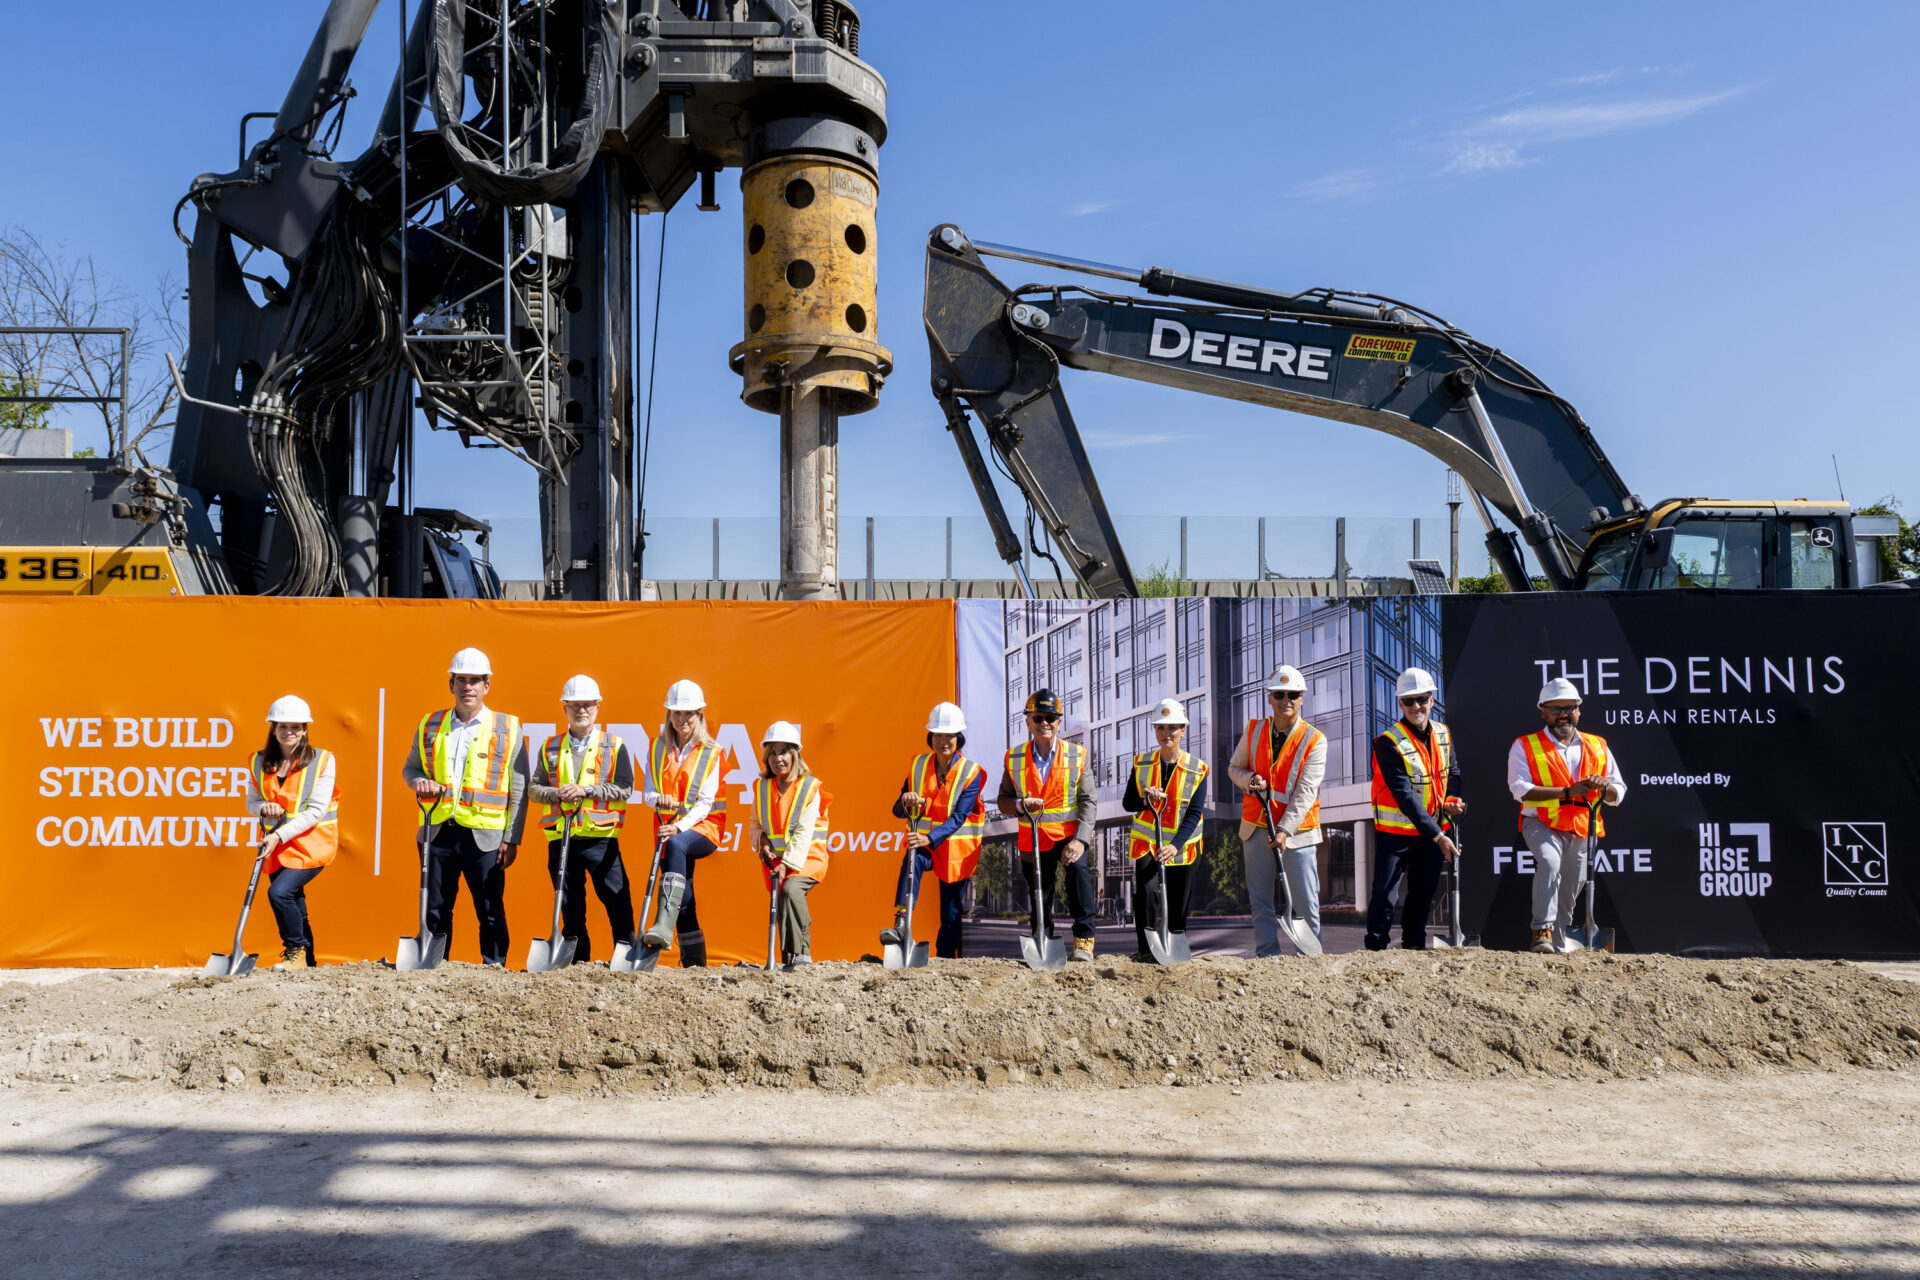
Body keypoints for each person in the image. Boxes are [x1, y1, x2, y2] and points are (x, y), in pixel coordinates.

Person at [401, 647, 528, 966]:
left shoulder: (508, 727)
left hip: (485, 835)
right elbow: (411, 768)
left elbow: (519, 789)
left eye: (475, 680)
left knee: (489, 908)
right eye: (461, 680)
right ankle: (432, 966)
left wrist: (511, 838)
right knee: (435, 907)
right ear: (451, 685)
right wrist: (418, 782)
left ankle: (494, 965)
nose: (468, 686)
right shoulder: (431, 724)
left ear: (487, 686)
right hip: (438, 830)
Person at [1509, 677, 1626, 953]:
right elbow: (1520, 790)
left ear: (1579, 710)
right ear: (1543, 711)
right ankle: (1542, 930)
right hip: (1541, 821)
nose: (1563, 714)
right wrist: (1567, 792)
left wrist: (1603, 786)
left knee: (1572, 884)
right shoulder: (1524, 745)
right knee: (1550, 862)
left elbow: (1618, 793)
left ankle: (1558, 944)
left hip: (1582, 825)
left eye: (1569, 708)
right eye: (1556, 708)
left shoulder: (1598, 745)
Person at [527, 674, 636, 964]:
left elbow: (625, 788)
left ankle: (626, 959)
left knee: (617, 902)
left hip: (600, 837)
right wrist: (557, 794)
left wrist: (586, 790)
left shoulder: (613, 745)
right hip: (561, 838)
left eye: (587, 705)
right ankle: (578, 965)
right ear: (565, 709)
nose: (581, 711)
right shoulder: (550, 746)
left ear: (597, 707)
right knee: (570, 906)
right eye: (574, 705)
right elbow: (534, 789)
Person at [1228, 665, 1327, 955]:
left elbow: (1306, 792)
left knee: (1306, 904)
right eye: (1279, 694)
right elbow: (1234, 767)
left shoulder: (1315, 740)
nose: (1286, 699)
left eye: (1293, 694)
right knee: (1260, 902)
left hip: (1298, 834)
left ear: (1302, 698)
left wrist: (1284, 830)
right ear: (1269, 698)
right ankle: (1267, 957)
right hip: (1256, 827)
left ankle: (1308, 961)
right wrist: (1249, 780)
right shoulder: (1254, 729)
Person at [1365, 667, 1465, 950]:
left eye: (1421, 699)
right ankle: (1374, 951)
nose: (1415, 706)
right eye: (1408, 701)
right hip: (1396, 833)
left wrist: (1452, 800)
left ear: (1432, 700)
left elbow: (1453, 773)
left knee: (1422, 896)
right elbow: (1404, 795)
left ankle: (1414, 950)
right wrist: (1438, 835)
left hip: (1432, 832)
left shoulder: (1443, 733)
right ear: (1400, 704)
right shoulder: (1387, 743)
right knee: (1385, 895)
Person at [997, 688, 1098, 962]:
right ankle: (1042, 940)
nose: (1045, 723)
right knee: (1039, 894)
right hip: (1033, 839)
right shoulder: (1013, 757)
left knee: (1080, 881)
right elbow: (1003, 800)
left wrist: (1080, 840)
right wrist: (1019, 806)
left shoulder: (1077, 755)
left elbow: (1089, 801)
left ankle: (1084, 942)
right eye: (1038, 717)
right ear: (1028, 721)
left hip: (1069, 836)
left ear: (1059, 721)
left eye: (1051, 717)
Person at [880, 702, 987, 959]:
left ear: (958, 738)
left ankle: (946, 960)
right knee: (911, 859)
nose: (943, 741)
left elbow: (960, 815)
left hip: (956, 848)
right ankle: (902, 922)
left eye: (949, 736)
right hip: (926, 843)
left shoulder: (973, 773)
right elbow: (897, 809)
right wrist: (907, 802)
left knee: (950, 912)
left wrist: (929, 837)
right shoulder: (918, 765)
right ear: (931, 737)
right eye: (938, 735)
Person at [243, 695, 339, 969]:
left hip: (312, 844)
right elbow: (251, 804)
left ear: (305, 729)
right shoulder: (257, 761)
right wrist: (264, 807)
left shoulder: (323, 760)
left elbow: (317, 810)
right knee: (295, 902)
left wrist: (277, 835)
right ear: (272, 728)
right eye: (283, 726)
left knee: (280, 894)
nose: (289, 732)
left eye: (296, 727)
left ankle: (294, 950)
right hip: (278, 846)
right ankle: (307, 962)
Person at [638, 679, 728, 967]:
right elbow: (647, 793)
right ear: (669, 716)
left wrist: (678, 826)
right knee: (683, 894)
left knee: (677, 844)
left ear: (699, 716)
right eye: (676, 713)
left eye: (688, 713)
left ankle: (663, 926)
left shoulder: (711, 752)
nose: (682, 719)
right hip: (667, 828)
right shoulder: (655, 748)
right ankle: (694, 960)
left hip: (704, 827)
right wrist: (658, 801)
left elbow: (705, 802)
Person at [1121, 698, 1210, 961]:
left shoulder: (1198, 769)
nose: (1166, 733)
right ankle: (1146, 949)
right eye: (1160, 728)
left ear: (1183, 730)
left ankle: (1173, 947)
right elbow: (1129, 803)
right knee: (1147, 894)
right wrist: (1145, 801)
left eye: (1172, 727)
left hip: (1182, 847)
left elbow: (1194, 814)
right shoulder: (1141, 763)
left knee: (1178, 900)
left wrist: (1175, 846)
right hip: (1147, 843)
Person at [749, 722, 832, 970]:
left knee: (791, 891)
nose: (778, 759)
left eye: (783, 752)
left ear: (795, 754)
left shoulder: (809, 788)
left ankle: (802, 954)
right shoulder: (762, 787)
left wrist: (787, 865)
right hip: (777, 860)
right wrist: (762, 843)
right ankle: (788, 960)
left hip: (808, 857)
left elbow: (804, 833)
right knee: (783, 897)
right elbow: (755, 824)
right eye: (772, 753)